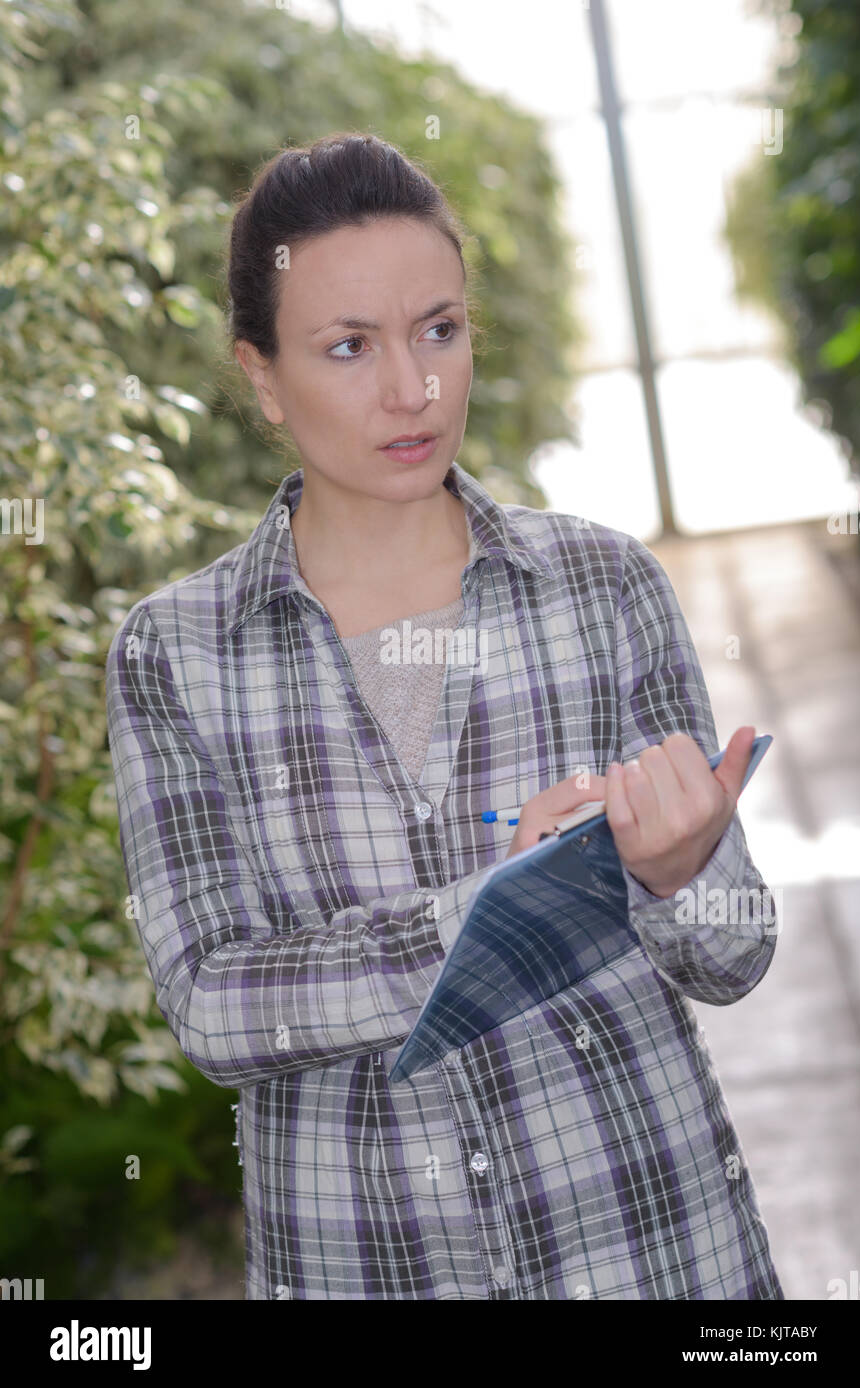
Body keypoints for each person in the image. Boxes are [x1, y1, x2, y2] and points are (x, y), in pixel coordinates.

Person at [105, 132, 784, 1300]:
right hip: (367, 1265)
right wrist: (483, 917)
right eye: (348, 347)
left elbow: (734, 951)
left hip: (653, 1248)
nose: (411, 388)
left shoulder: (602, 585)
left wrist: (683, 873)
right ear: (262, 375)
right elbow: (215, 1001)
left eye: (439, 330)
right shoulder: (178, 655)